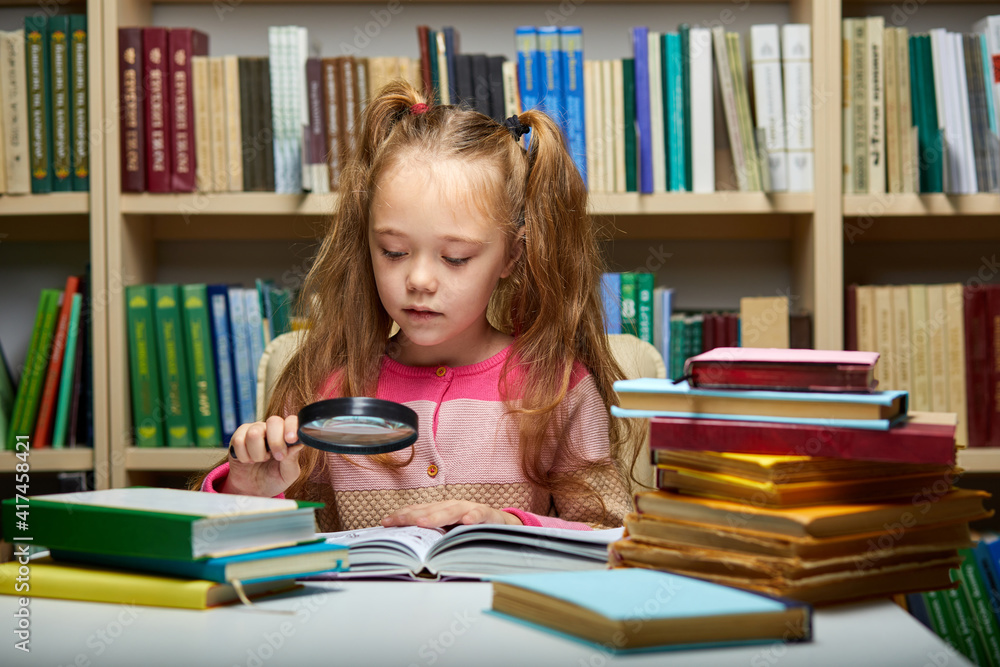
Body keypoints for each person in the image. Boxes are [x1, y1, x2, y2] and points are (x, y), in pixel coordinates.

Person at [193, 80, 642, 532]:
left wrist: (509, 524)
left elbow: (612, 540)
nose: (420, 280)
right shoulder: (324, 381)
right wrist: (244, 494)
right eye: (392, 251)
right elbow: (241, 548)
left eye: (455, 258)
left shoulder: (558, 387)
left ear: (512, 254)